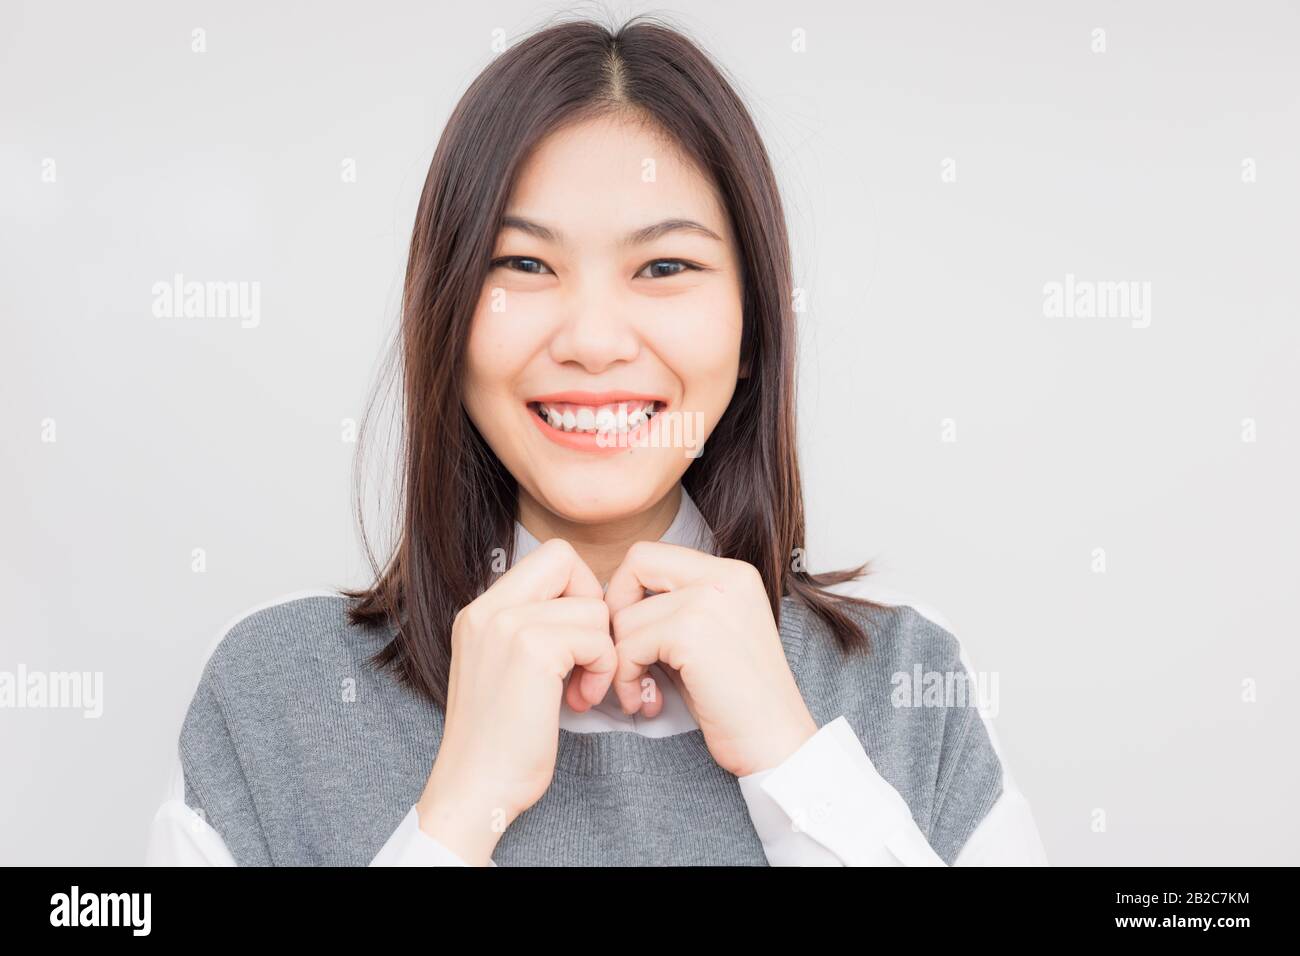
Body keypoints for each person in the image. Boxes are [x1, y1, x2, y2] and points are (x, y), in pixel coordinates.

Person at [146, 15, 1047, 867]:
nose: (593, 339)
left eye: (665, 267)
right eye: (525, 265)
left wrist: (794, 763)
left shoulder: (906, 685)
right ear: (449, 320)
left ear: (751, 333)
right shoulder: (274, 697)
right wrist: (459, 811)